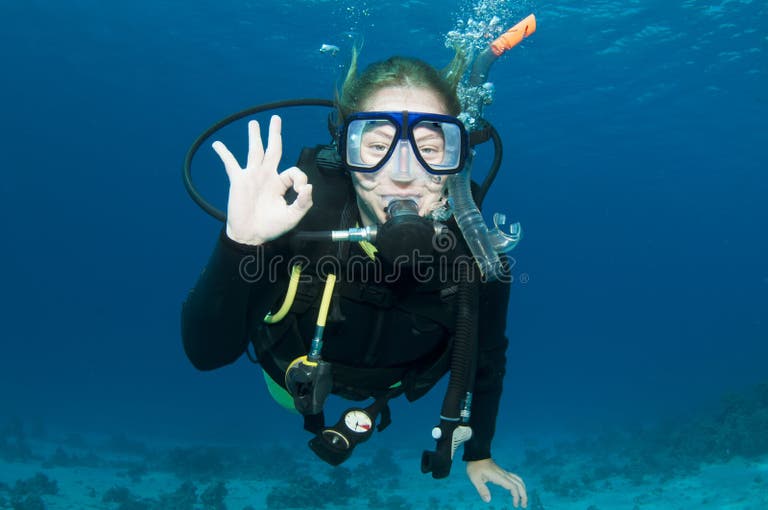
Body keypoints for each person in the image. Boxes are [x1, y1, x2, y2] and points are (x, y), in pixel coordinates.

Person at [181, 51, 527, 508]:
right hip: (289, 378)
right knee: (283, 396)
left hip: (391, 389)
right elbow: (206, 355)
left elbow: (488, 356)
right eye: (377, 146)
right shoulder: (298, 217)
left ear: (457, 163)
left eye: (429, 149)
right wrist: (239, 243)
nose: (403, 175)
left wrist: (479, 452)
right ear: (346, 150)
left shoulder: (476, 248)